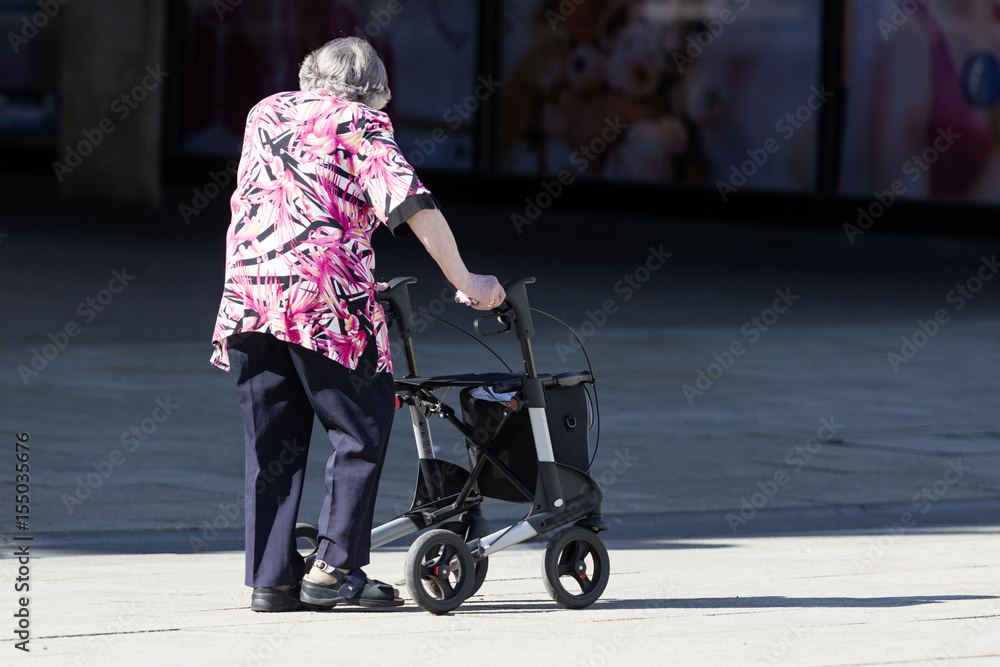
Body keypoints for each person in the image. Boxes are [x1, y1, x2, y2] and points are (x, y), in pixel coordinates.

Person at [210, 36, 505, 612]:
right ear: (376, 91)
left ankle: (270, 581)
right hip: (324, 302)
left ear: (308, 75)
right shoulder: (362, 122)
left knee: (271, 445)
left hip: (248, 297)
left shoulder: (264, 112)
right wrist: (469, 282)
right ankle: (334, 568)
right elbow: (412, 204)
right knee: (359, 428)